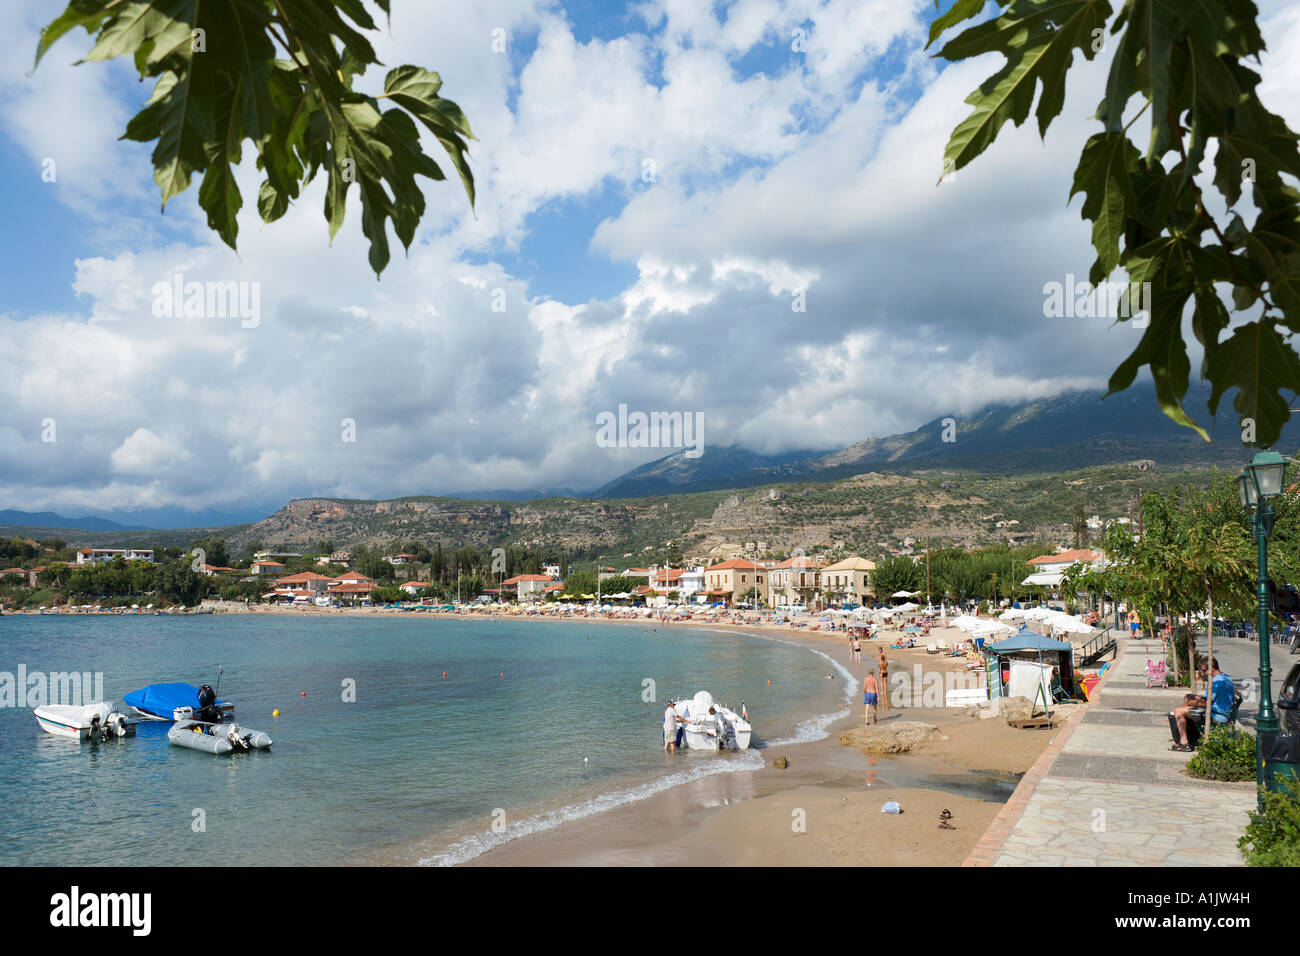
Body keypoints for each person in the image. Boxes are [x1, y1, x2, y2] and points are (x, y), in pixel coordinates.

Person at [1171, 658, 1234, 751]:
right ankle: (1191, 739)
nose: (1203, 673)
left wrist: (1189, 702)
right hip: (1223, 713)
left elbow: (1205, 702)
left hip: (1217, 715)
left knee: (1178, 710)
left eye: (1204, 670)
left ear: (1212, 668)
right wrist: (1195, 697)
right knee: (1185, 707)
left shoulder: (1215, 682)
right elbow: (1209, 698)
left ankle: (1184, 743)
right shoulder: (1225, 677)